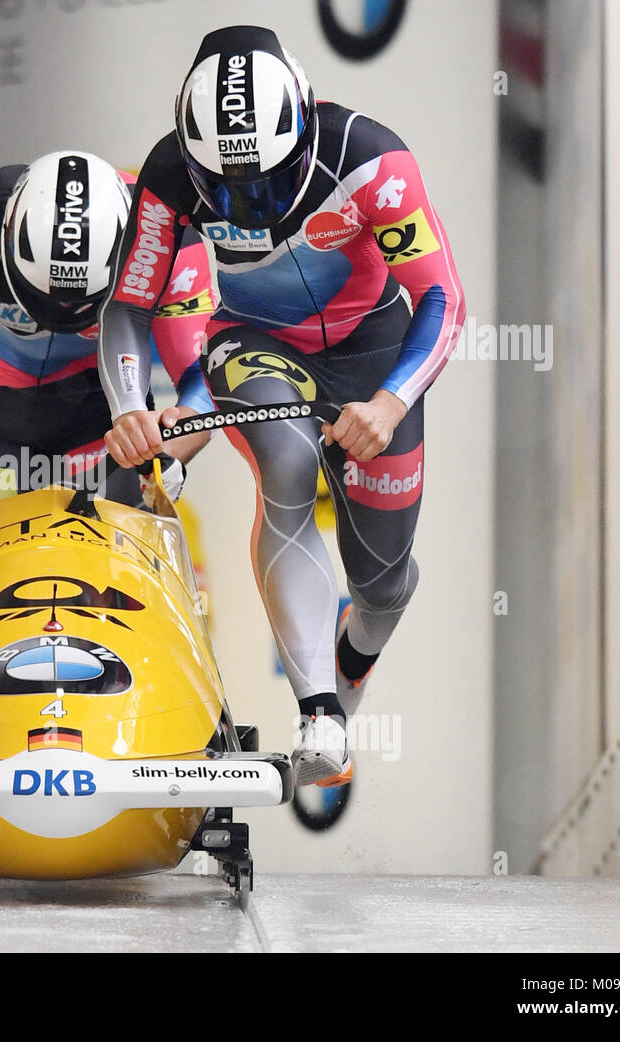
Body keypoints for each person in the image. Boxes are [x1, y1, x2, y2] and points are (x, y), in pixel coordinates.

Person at [99, 25, 465, 787]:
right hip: (255, 340)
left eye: (268, 183)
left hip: (372, 347)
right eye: (230, 191)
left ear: (302, 131)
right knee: (288, 468)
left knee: (383, 583)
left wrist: (393, 402)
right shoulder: (167, 175)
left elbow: (442, 295)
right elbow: (128, 305)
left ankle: (349, 667)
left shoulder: (368, 158)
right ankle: (320, 716)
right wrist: (131, 403)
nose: (253, 208)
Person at [0, 150, 217, 510]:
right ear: (9, 236)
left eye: (82, 302)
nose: (63, 311)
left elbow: (202, 376)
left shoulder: (163, 231)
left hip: (105, 421)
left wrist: (167, 452)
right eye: (47, 295)